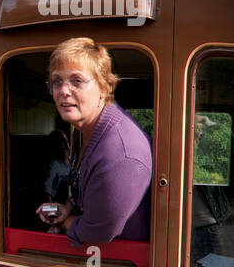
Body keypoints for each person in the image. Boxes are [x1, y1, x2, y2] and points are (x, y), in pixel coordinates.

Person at [35, 37, 152, 245]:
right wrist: (66, 209)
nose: (63, 91)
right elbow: (82, 185)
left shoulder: (120, 155)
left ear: (104, 87)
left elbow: (96, 233)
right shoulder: (82, 130)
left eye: (76, 81)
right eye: (56, 81)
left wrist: (64, 223)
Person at [42, 129, 70, 202]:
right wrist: (53, 212)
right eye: (59, 142)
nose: (63, 144)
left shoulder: (74, 162)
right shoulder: (54, 166)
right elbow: (47, 194)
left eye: (65, 141)